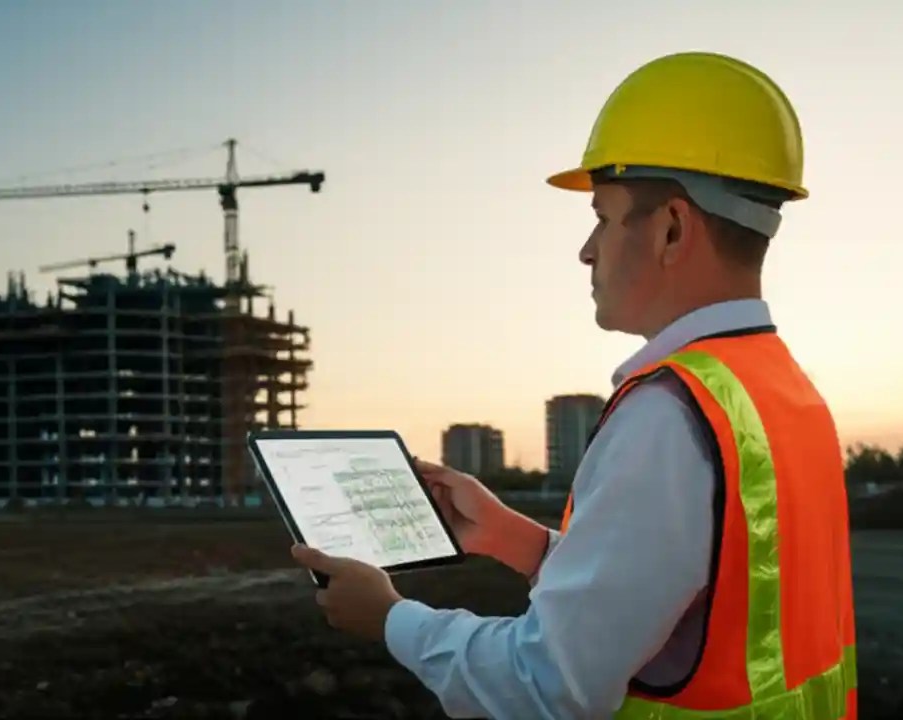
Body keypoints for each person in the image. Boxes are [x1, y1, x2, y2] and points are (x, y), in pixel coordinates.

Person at [291, 51, 858, 719]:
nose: (587, 250)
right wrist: (511, 539)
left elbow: (545, 684)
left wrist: (390, 618)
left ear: (672, 229)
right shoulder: (781, 390)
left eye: (605, 216)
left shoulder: (668, 418)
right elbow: (690, 601)